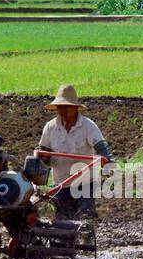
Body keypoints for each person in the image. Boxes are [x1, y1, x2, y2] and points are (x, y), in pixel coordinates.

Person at [38, 84, 113, 220]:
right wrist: (44, 158)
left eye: (66, 106)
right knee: (62, 223)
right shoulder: (50, 127)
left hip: (85, 182)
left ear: (75, 107)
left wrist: (106, 160)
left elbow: (102, 147)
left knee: (84, 218)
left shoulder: (87, 126)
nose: (63, 110)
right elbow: (43, 154)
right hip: (61, 184)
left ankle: (86, 240)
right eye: (60, 107)